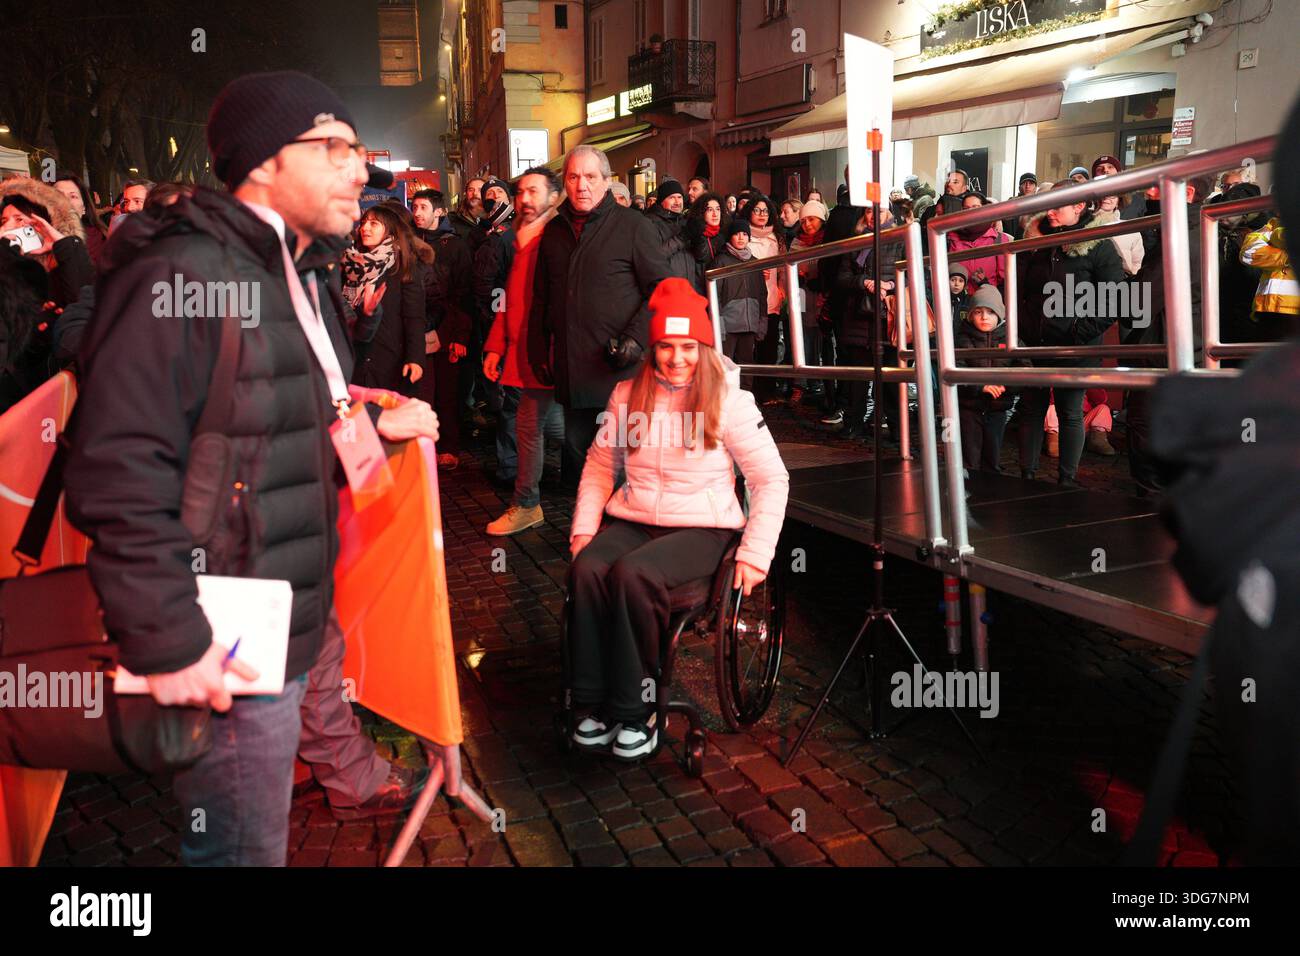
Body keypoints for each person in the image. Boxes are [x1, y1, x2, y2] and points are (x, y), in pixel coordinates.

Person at [64, 70, 439, 865]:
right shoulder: (189, 275)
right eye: (333, 146)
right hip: (226, 632)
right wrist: (168, 640)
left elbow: (279, 423)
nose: (359, 170)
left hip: (285, 617)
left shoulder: (290, 270)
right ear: (264, 161)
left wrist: (374, 426)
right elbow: (118, 464)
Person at [567, 278, 789, 759]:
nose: (676, 358)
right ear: (653, 348)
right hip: (637, 517)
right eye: (666, 346)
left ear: (704, 346)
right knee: (586, 568)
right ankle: (591, 702)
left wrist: (755, 554)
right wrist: (584, 530)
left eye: (688, 346)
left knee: (632, 574)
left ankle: (637, 709)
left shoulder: (730, 401)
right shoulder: (627, 395)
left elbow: (771, 479)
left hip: (703, 527)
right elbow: (601, 466)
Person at [527, 144, 672, 489]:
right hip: (573, 370)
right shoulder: (554, 231)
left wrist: (636, 338)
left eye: (590, 177)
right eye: (574, 177)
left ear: (607, 182)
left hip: (620, 368)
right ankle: (586, 533)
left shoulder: (633, 226)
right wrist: (538, 351)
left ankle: (625, 536)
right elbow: (541, 298)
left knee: (626, 462)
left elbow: (662, 287)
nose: (582, 186)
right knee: (579, 458)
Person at [1016, 183, 1126, 486]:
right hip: (1035, 342)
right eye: (1049, 205)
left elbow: (1115, 295)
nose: (1049, 211)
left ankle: (1067, 478)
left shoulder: (1099, 245)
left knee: (1070, 410)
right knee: (1031, 408)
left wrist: (1080, 331)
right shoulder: (1041, 239)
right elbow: (1018, 288)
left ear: (1079, 206)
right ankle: (1027, 473)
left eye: (1057, 206)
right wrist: (1024, 327)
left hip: (1075, 346)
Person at [484, 167, 566, 535]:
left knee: (536, 426)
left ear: (553, 196)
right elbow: (512, 300)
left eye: (533, 191)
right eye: (520, 192)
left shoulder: (552, 239)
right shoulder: (522, 236)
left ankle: (528, 503)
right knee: (546, 427)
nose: (525, 199)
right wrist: (496, 346)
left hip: (544, 354)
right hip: (529, 353)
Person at [1124, 174, 1215, 496]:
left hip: (1163, 342)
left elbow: (1148, 296)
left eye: (1159, 187)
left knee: (1144, 419)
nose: (1150, 192)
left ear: (1186, 192)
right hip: (1188, 339)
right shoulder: (1202, 227)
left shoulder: (1178, 234)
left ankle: (1152, 499)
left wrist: (1127, 312)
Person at [412, 188, 473, 469]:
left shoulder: (456, 246)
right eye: (414, 207)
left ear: (438, 211)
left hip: (448, 327)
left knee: (448, 391)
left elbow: (465, 293)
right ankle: (425, 444)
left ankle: (449, 446)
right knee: (423, 390)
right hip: (419, 327)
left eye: (423, 207)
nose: (417, 213)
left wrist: (459, 335)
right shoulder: (411, 242)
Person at [831, 203, 904, 441]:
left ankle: (896, 427)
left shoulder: (899, 238)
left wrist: (889, 286)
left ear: (888, 213)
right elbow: (841, 278)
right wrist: (864, 282)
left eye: (879, 211)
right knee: (858, 377)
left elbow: (914, 275)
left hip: (889, 318)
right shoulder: (855, 241)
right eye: (869, 211)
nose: (873, 215)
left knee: (891, 378)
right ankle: (854, 422)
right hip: (858, 318)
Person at [344, 204, 429, 395]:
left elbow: (414, 318)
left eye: (374, 224)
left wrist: (415, 358)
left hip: (390, 357)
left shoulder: (403, 267)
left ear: (389, 230)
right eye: (364, 222)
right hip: (353, 357)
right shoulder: (350, 264)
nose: (365, 228)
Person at [474, 177, 519, 483]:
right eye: (488, 196)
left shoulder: (516, 234)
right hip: (500, 325)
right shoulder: (487, 236)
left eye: (499, 193)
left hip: (517, 325)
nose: (494, 199)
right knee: (507, 403)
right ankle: (511, 467)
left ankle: (516, 465)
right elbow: (483, 287)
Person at [956, 285, 1026, 473]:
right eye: (978, 312)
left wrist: (1004, 385)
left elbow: (1025, 369)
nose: (984, 317)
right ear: (971, 315)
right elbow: (956, 371)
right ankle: (967, 492)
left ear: (1000, 315)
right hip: (969, 408)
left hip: (997, 407)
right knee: (969, 456)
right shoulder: (962, 340)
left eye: (990, 312)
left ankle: (990, 491)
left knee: (992, 455)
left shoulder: (1012, 339)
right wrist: (981, 387)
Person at [0, 177, 94, 309]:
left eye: (19, 219)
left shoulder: (66, 259)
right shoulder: (6, 264)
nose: (8, 226)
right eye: (4, 221)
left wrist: (63, 244)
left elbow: (83, 304)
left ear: (41, 222)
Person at [740, 194, 787, 403]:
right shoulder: (742, 234)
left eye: (766, 211)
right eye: (757, 210)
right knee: (749, 349)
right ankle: (749, 392)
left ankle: (767, 391)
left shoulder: (777, 237)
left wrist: (783, 290)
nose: (762, 215)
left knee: (769, 346)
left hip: (772, 298)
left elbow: (784, 268)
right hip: (749, 298)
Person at [711, 219, 766, 388]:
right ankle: (723, 399)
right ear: (730, 237)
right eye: (736, 234)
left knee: (748, 363)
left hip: (750, 323)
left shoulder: (755, 261)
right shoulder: (721, 261)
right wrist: (718, 323)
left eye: (744, 234)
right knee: (724, 364)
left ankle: (747, 399)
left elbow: (762, 293)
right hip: (728, 324)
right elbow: (715, 294)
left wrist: (762, 320)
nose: (741, 238)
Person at [789, 198, 829, 405]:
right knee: (802, 339)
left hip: (822, 297)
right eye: (804, 221)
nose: (807, 224)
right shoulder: (796, 244)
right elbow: (787, 270)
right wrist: (798, 277)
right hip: (802, 296)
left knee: (822, 341)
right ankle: (801, 383)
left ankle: (821, 382)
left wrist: (821, 282)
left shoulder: (829, 241)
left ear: (821, 220)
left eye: (812, 219)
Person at [1240, 215, 1299, 342]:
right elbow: (1248, 253)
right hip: (1269, 312)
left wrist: (1275, 236)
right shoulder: (1274, 222)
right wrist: (1288, 258)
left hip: (1290, 313)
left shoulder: (1274, 228)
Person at [947, 192, 1010, 293]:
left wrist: (985, 284)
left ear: (984, 210)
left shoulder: (999, 239)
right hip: (956, 302)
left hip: (986, 303)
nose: (971, 212)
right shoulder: (951, 237)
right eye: (966, 209)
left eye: (976, 207)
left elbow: (1003, 279)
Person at [647, 178, 696, 287]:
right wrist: (681, 238)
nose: (677, 202)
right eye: (671, 198)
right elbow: (654, 256)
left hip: (688, 288)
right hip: (667, 289)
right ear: (661, 201)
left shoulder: (684, 221)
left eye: (679, 197)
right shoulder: (651, 222)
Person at [54, 174, 108, 266]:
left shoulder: (99, 240)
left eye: (73, 196)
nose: (65, 201)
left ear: (84, 208)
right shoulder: (35, 236)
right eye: (58, 195)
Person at [1044, 388, 1115, 457]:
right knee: (1051, 408)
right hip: (1060, 425)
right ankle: (1054, 441)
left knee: (1103, 408)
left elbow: (1101, 399)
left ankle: (1097, 440)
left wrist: (1089, 385)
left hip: (1080, 423)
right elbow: (1049, 399)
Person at [688, 190, 728, 288]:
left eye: (718, 209)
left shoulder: (723, 236)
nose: (715, 214)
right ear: (701, 212)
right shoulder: (693, 235)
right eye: (710, 210)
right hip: (700, 290)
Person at [450, 176, 485, 248]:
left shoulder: (494, 220)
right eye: (471, 190)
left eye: (480, 190)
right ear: (466, 194)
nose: (475, 193)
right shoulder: (452, 220)